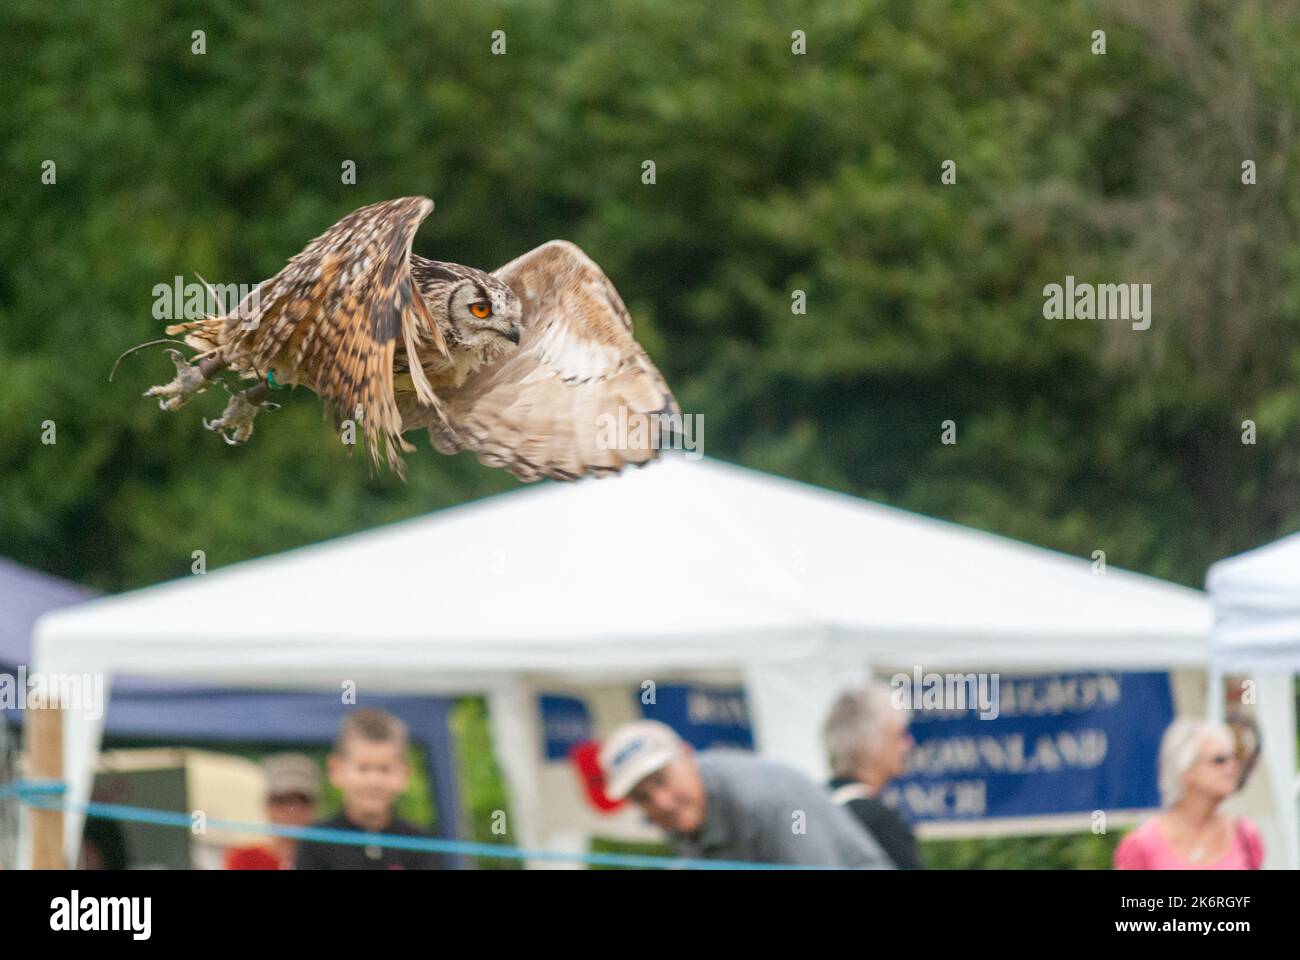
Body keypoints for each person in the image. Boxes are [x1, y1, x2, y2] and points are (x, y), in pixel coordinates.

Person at [598, 720, 894, 868]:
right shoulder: (685, 812)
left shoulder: (765, 801)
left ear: (687, 756)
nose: (660, 802)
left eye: (662, 780)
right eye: (642, 798)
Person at [294, 709, 442, 869]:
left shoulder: (421, 844)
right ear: (336, 770)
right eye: (363, 768)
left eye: (385, 769)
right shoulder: (316, 842)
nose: (373, 781)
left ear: (404, 774)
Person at [1114, 717, 1263, 870]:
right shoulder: (1141, 844)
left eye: (1234, 757)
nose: (1232, 766)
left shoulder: (1245, 835)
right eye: (1220, 760)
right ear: (1185, 770)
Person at [823, 682, 924, 869]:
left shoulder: (813, 806)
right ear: (871, 744)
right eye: (899, 735)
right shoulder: (880, 823)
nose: (908, 744)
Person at [225, 753, 322, 870]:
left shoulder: (329, 856)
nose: (291, 810)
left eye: (301, 800)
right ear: (267, 805)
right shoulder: (243, 858)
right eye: (281, 800)